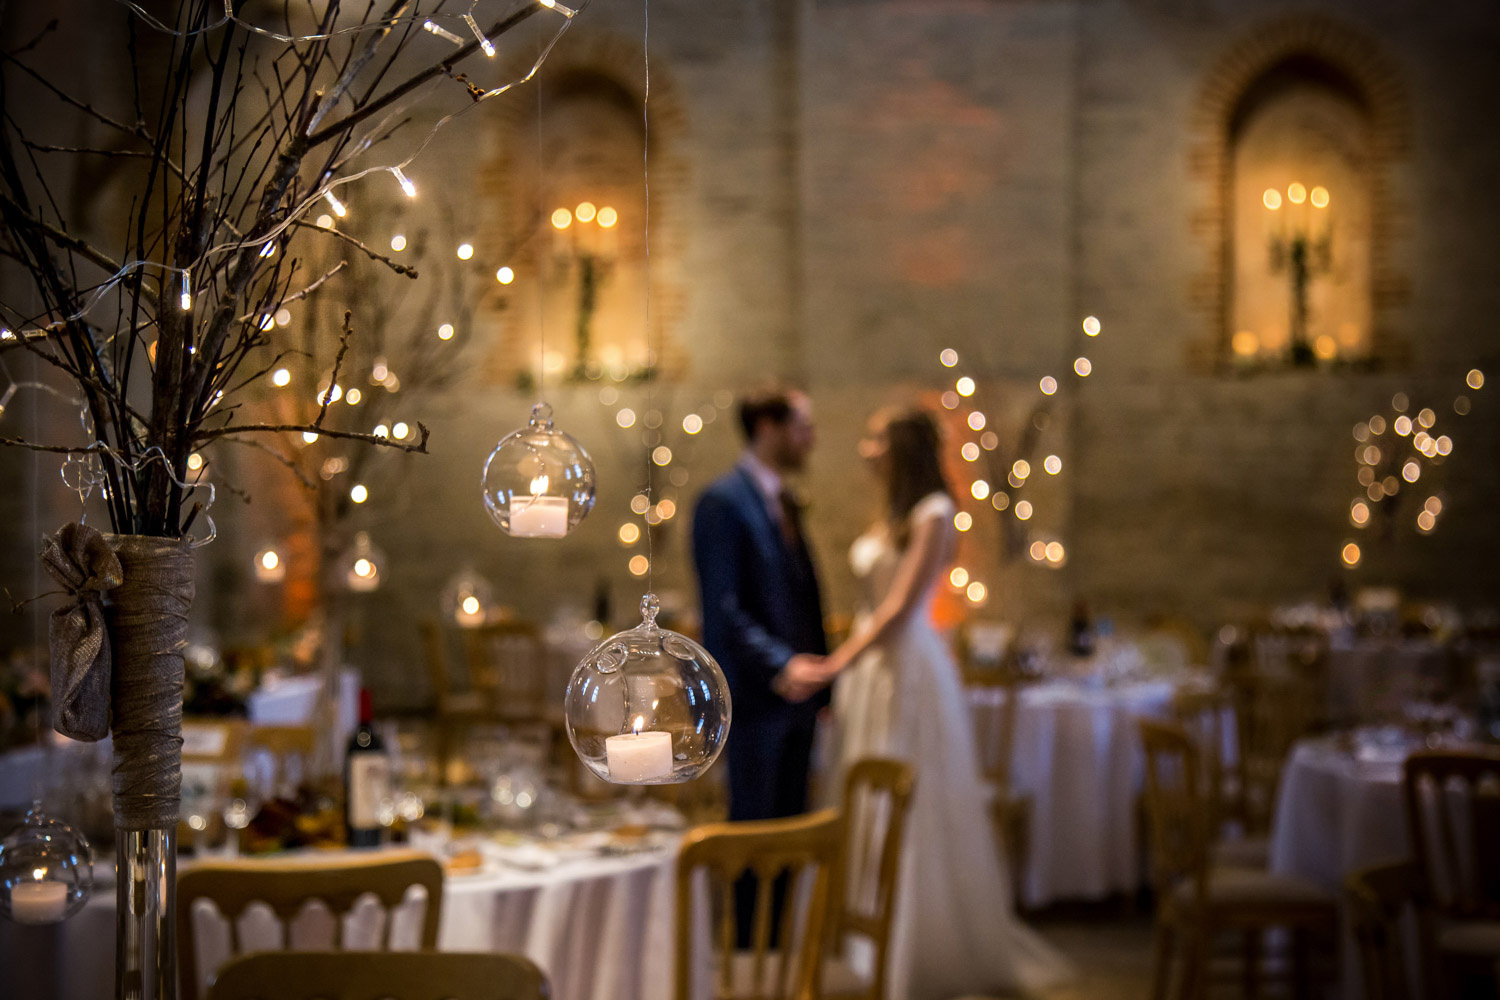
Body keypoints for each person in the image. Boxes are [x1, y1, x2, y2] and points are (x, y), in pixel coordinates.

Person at [809, 405, 1073, 1000]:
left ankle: (910, 945)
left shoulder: (935, 512)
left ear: (901, 448)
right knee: (861, 797)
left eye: (876, 437)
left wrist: (836, 661)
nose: (865, 447)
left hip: (907, 667)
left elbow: (901, 608)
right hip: (874, 671)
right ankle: (859, 937)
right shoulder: (891, 515)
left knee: (910, 800)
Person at [691, 386, 828, 825]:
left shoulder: (784, 500)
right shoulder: (722, 502)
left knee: (792, 829)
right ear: (767, 427)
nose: (811, 439)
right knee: (755, 831)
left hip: (800, 699)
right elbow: (724, 608)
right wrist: (779, 666)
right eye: (802, 427)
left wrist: (822, 681)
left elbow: (803, 598)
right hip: (756, 698)